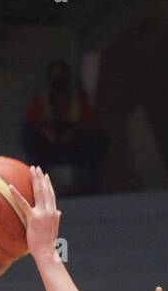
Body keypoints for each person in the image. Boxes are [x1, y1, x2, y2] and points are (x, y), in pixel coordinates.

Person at [20, 60, 108, 194]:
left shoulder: (78, 100)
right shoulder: (42, 100)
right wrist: (48, 133)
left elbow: (91, 125)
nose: (59, 84)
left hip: (74, 146)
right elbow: (31, 125)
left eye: (61, 79)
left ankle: (86, 181)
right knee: (27, 135)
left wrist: (74, 132)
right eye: (56, 79)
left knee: (99, 138)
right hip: (48, 146)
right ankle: (39, 181)